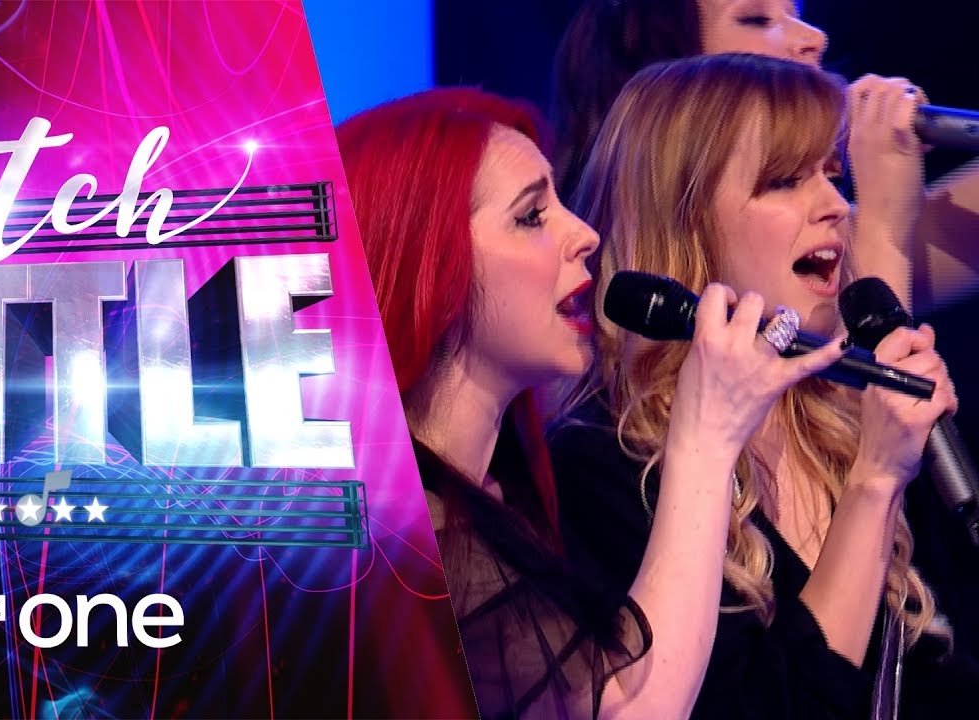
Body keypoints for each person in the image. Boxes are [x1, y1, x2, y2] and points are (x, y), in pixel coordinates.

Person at [335, 86, 844, 719]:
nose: (584, 234)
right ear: (427, 264)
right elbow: (627, 709)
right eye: (531, 216)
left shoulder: (503, 495)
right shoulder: (404, 533)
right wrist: (707, 438)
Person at [552, 53, 974, 718]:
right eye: (784, 181)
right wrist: (873, 482)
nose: (835, 207)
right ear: (685, 221)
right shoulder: (601, 465)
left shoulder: (851, 423)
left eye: (832, 175)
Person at [550, 0, 979, 314]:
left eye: (826, 176)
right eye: (757, 19)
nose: (815, 38)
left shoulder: (818, 242)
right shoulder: (617, 299)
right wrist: (882, 227)